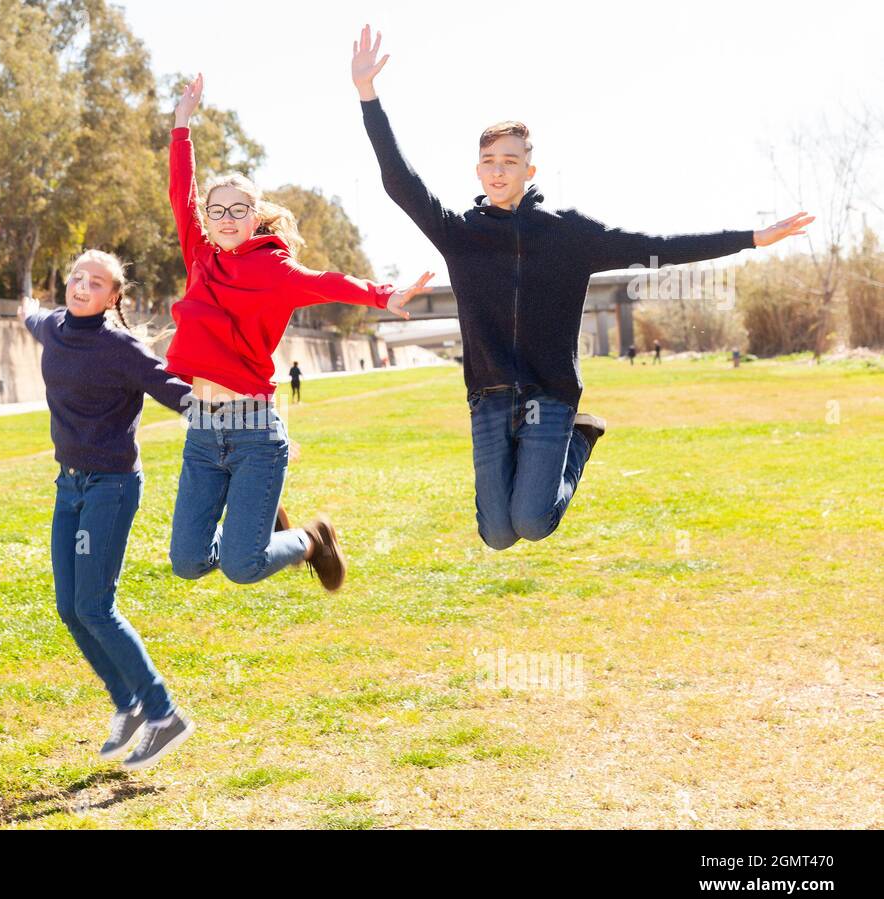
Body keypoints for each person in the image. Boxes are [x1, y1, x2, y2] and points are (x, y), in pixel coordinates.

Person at [351, 24, 813, 551]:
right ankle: (535, 470)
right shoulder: (459, 235)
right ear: (477, 169)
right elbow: (399, 182)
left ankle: (579, 438)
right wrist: (369, 96)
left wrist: (751, 238)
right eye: (489, 161)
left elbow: (655, 244)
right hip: (490, 394)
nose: (498, 170)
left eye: (510, 161)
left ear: (530, 167)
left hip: (550, 393)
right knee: (497, 535)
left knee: (532, 521)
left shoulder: (569, 232)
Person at [165, 74, 434, 592]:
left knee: (243, 567)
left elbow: (329, 282)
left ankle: (310, 540)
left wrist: (384, 295)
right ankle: (258, 526)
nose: (225, 218)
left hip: (254, 434)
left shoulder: (273, 270)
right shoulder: (200, 254)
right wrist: (182, 126)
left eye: (237, 210)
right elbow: (181, 192)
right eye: (216, 210)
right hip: (201, 432)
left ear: (253, 218)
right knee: (188, 561)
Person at [22, 250, 196, 770]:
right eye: (76, 276)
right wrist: (25, 306)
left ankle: (164, 714)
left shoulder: (123, 349)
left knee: (95, 606)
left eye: (95, 283)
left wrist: (247, 424)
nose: (81, 286)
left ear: (113, 297)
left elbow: (180, 395)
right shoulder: (52, 327)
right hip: (68, 485)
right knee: (70, 608)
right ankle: (130, 704)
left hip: (111, 487)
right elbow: (32, 317)